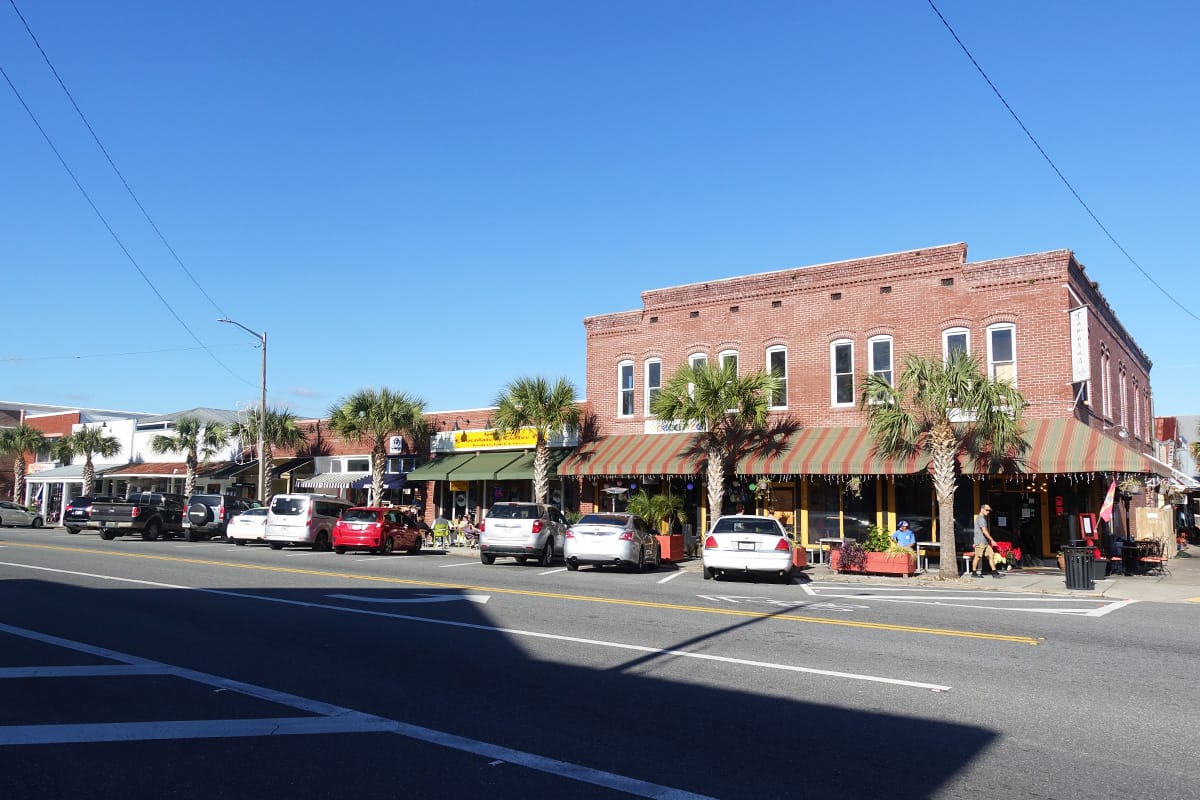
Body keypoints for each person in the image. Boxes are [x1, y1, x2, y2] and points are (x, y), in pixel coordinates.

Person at [971, 503, 1001, 578]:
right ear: (982, 510)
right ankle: (974, 573)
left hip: (985, 542)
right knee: (978, 556)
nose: (988, 512)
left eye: (989, 510)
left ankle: (994, 572)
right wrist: (992, 540)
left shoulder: (983, 518)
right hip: (980, 541)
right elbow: (984, 531)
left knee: (991, 555)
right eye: (987, 510)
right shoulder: (980, 519)